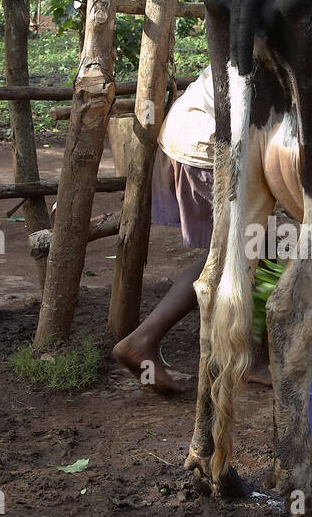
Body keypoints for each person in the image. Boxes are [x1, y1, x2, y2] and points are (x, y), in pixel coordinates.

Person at [112, 66, 270, 393]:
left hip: (194, 131)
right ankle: (144, 339)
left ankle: (250, 354)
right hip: (210, 141)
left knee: (245, 246)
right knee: (244, 247)